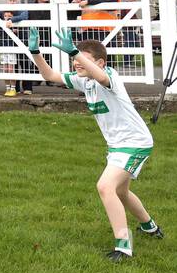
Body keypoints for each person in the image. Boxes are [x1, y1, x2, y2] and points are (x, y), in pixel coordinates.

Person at [27, 29, 162, 260]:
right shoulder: (83, 81)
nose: (75, 62)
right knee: (121, 191)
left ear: (99, 62)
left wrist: (73, 51)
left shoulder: (109, 75)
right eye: (74, 58)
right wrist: (35, 52)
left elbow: (100, 77)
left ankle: (123, 247)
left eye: (82, 58)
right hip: (118, 146)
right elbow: (50, 76)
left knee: (105, 187)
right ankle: (150, 227)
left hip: (135, 142)